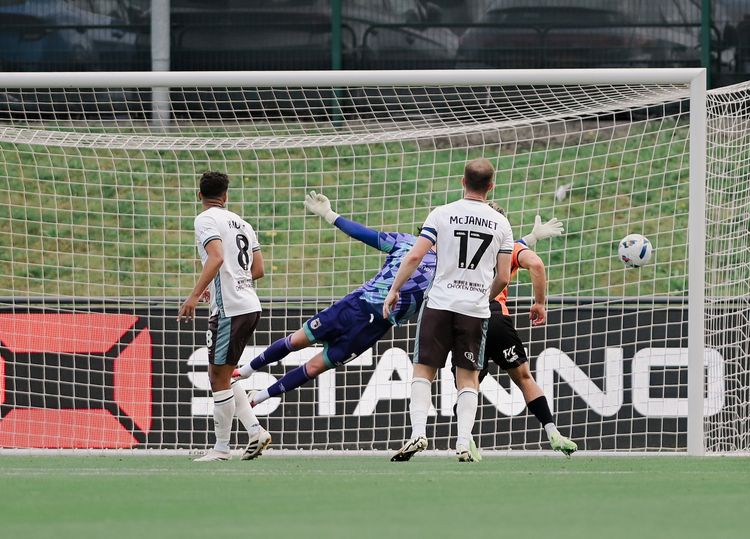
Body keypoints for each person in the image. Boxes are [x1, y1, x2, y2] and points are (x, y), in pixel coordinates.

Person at [231, 191, 437, 407]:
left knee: (314, 368)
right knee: (297, 341)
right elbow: (363, 234)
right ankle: (244, 371)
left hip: (375, 326)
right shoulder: (405, 242)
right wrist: (330, 215)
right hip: (355, 305)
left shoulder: (446, 268)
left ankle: (256, 398)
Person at [383, 158, 513, 463]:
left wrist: (394, 290)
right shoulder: (501, 223)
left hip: (440, 303)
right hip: (474, 308)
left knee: (423, 372)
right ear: (491, 186)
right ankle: (464, 443)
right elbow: (505, 276)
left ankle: (417, 433)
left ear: (462, 182)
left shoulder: (442, 214)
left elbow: (415, 256)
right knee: (468, 379)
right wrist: (484, 298)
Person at [462, 202, 578, 457]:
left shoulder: (463, 247)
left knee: (468, 383)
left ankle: (466, 441)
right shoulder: (508, 247)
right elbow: (535, 265)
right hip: (496, 319)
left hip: (467, 318)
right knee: (524, 377)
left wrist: (532, 237)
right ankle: (553, 433)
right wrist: (539, 303)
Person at [178, 171, 272, 461]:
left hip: (230, 308)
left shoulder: (205, 219)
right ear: (226, 196)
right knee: (223, 375)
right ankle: (255, 431)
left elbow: (217, 257)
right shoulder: (242, 222)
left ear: (199, 196)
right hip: (249, 304)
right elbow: (257, 270)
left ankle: (221, 449)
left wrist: (195, 294)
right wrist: (229, 280)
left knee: (217, 377)